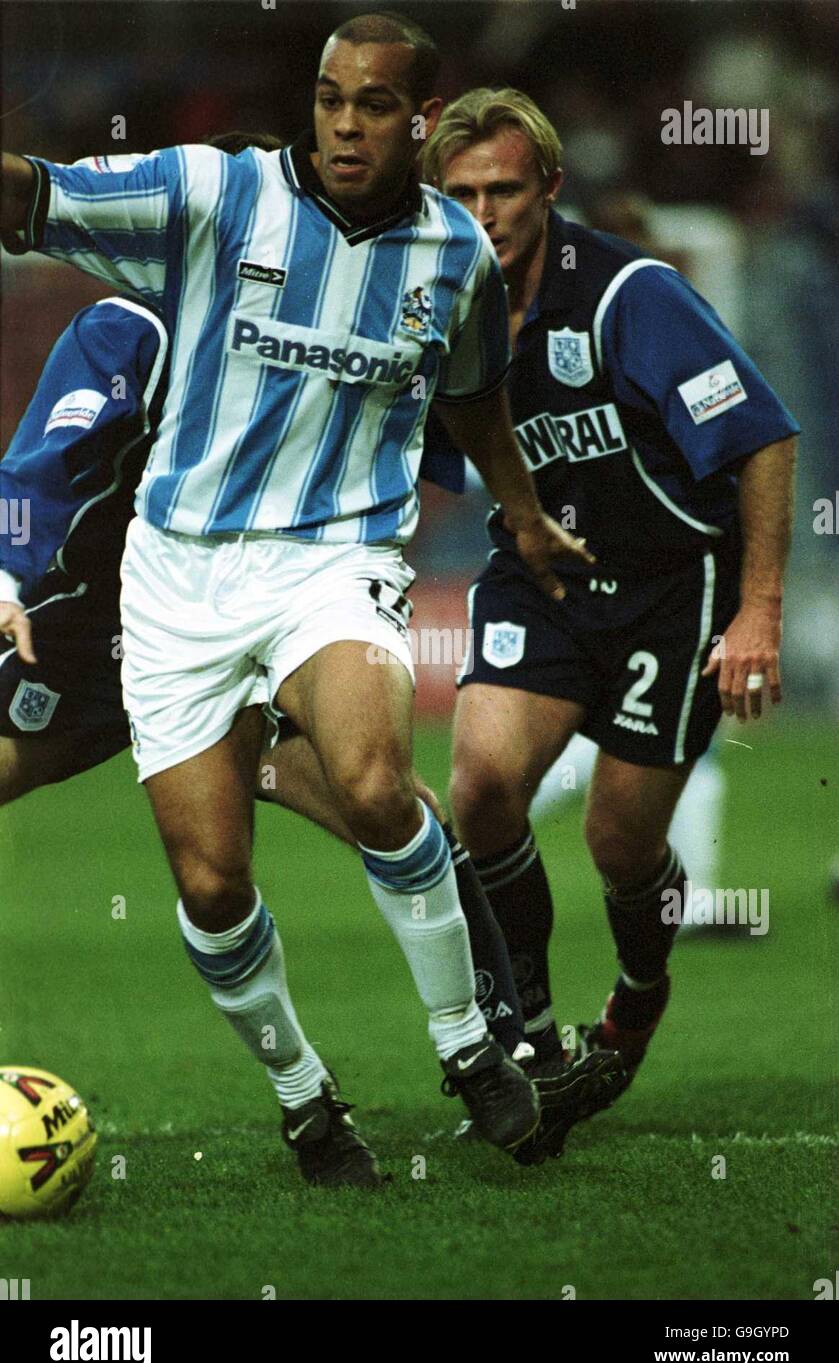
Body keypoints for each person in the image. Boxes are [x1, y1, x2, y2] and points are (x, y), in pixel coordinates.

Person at [0, 18, 618, 1186]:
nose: (344, 123)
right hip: (178, 575)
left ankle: (473, 1050)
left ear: (419, 122)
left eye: (373, 105)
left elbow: (477, 396)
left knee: (377, 780)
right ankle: (306, 1102)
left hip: (331, 562)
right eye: (329, 99)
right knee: (210, 879)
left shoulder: (453, 259)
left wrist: (524, 514)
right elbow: (32, 200)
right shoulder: (211, 196)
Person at [420, 88, 799, 1117]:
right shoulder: (433, 306)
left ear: (547, 186)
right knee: (481, 785)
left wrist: (756, 610)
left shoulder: (630, 296)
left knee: (618, 843)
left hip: (673, 588)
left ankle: (637, 992)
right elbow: (412, 462)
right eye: (459, 193)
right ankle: (533, 1038)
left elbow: (763, 437)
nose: (483, 212)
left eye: (504, 188)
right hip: (539, 578)